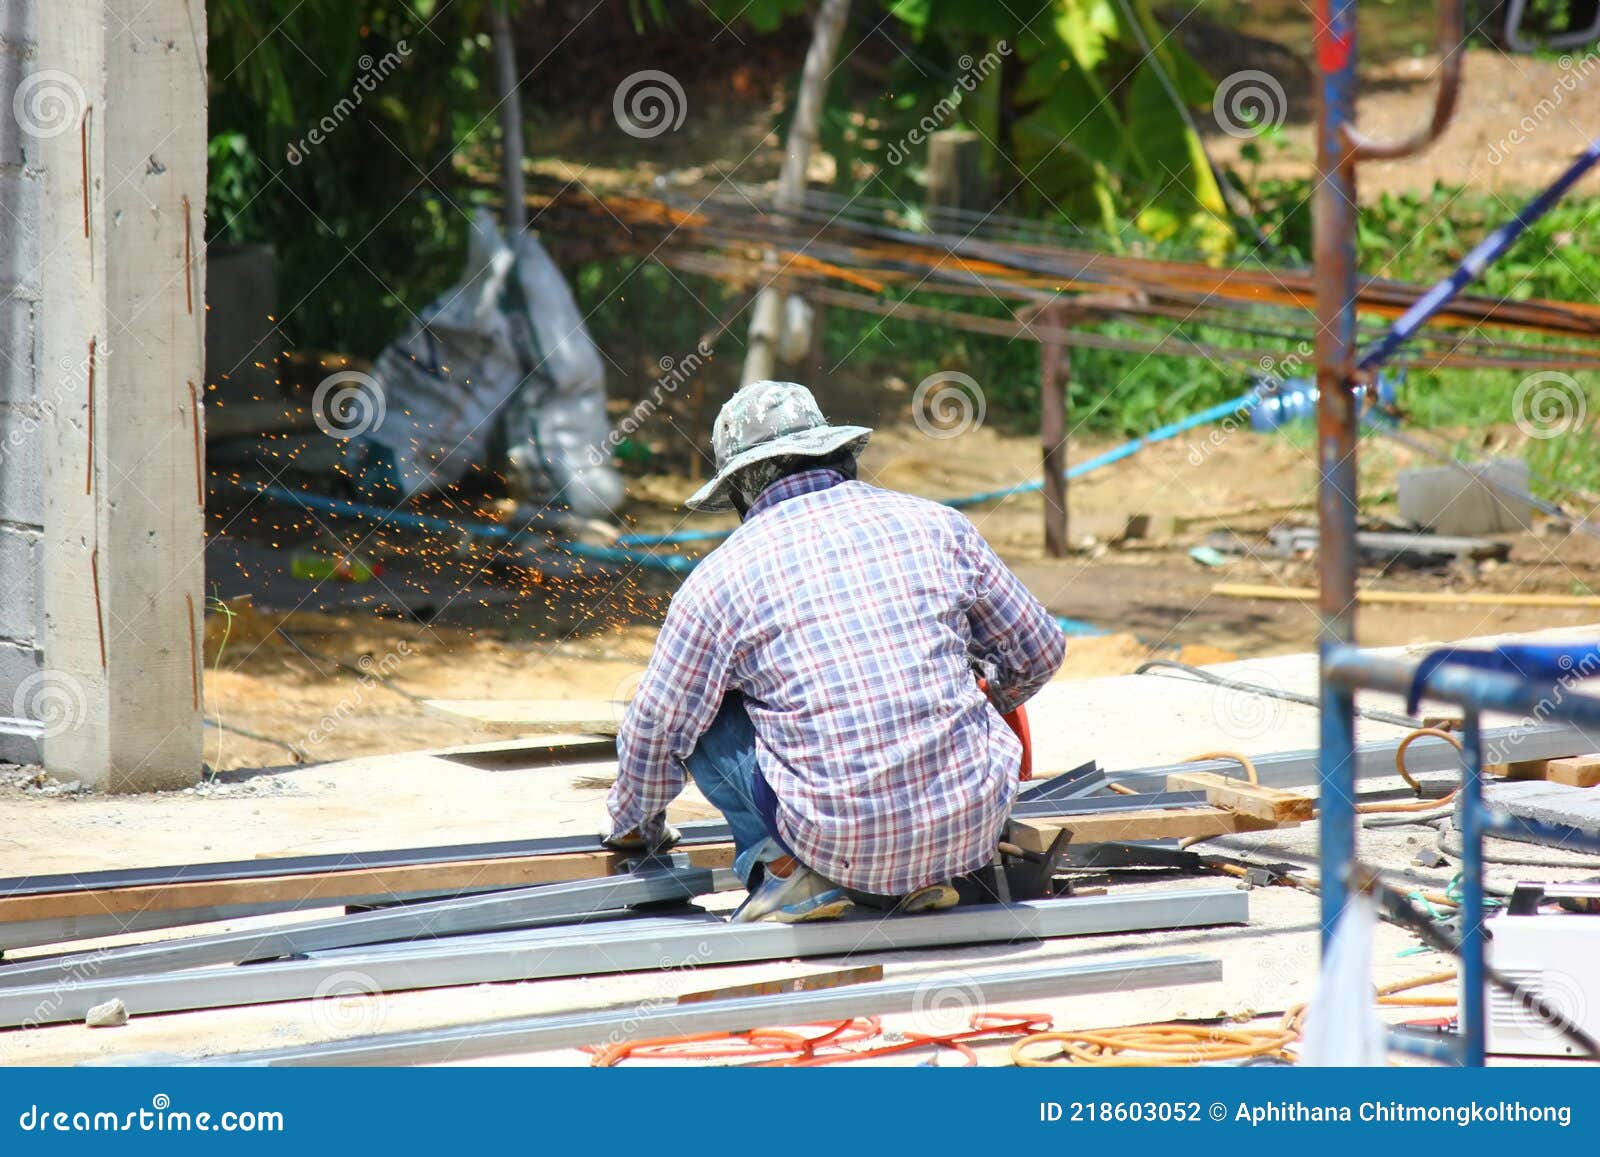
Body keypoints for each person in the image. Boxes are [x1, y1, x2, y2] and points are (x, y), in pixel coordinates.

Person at [604, 380, 1065, 923]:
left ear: (740, 490)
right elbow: (1039, 651)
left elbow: (657, 726)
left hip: (835, 842)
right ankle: (925, 873)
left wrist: (634, 825)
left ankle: (782, 873)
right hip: (972, 828)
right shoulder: (940, 527)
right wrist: (978, 696)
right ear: (836, 454)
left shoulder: (718, 580)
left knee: (698, 704)